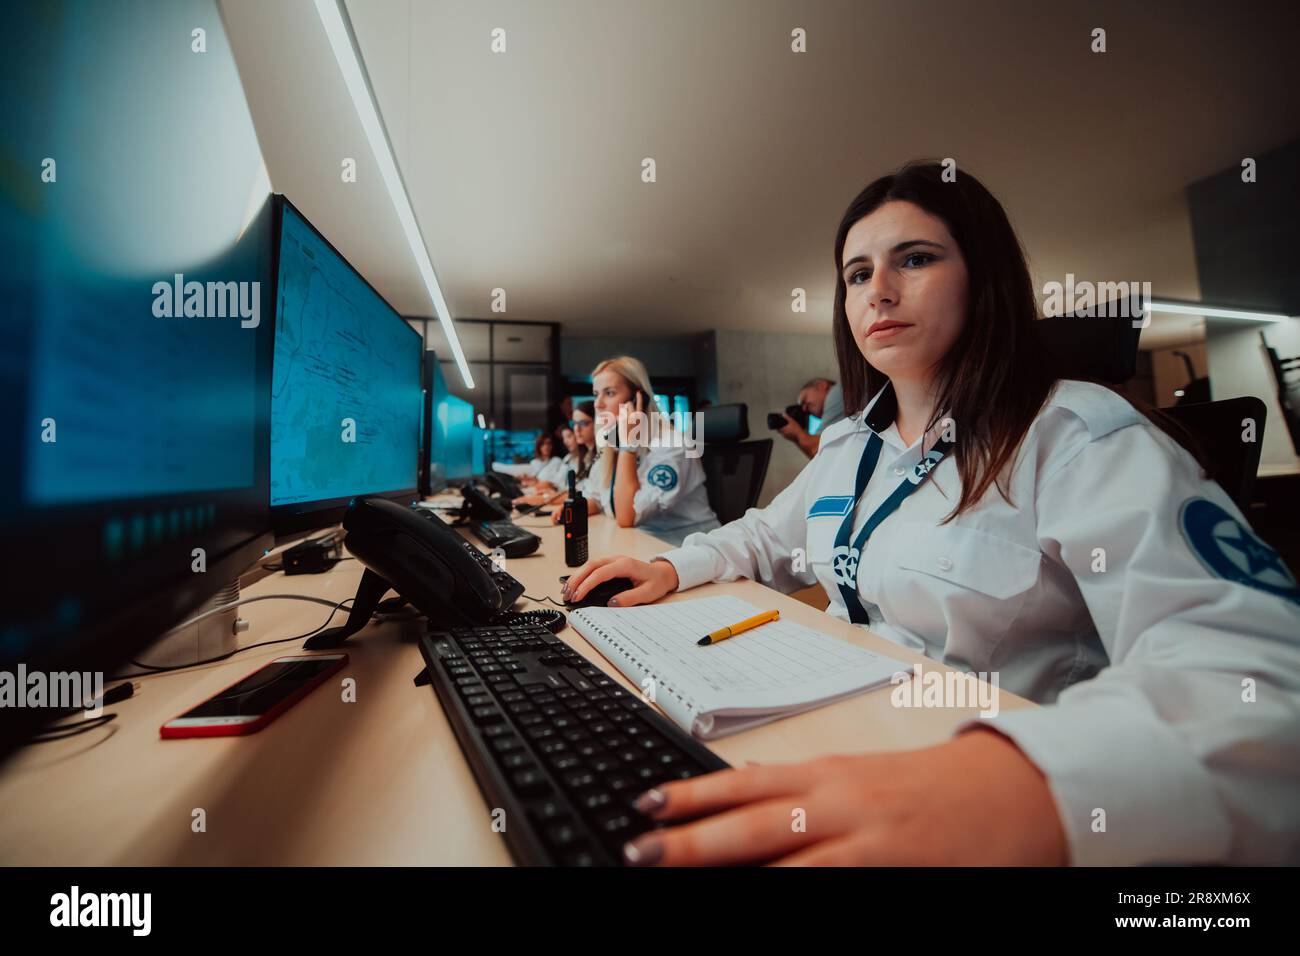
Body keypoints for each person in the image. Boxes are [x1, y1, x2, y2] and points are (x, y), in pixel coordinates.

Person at [560, 160, 1300, 866]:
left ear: (984, 278)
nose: (878, 291)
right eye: (857, 274)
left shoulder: (1076, 437)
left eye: (914, 260)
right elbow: (764, 538)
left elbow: (1261, 680)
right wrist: (670, 566)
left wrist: (1031, 784)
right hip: (833, 729)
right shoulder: (849, 444)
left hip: (973, 781)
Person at [552, 357, 719, 547]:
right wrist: (575, 510)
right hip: (643, 543)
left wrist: (628, 446)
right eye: (596, 394)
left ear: (637, 398)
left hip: (687, 547)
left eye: (609, 393)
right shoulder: (612, 443)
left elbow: (627, 516)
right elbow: (598, 497)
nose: (598, 404)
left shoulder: (672, 446)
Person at [778, 377, 846, 459]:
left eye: (804, 400)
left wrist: (797, 434)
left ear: (821, 385)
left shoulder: (835, 393)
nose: (804, 409)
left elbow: (819, 449)